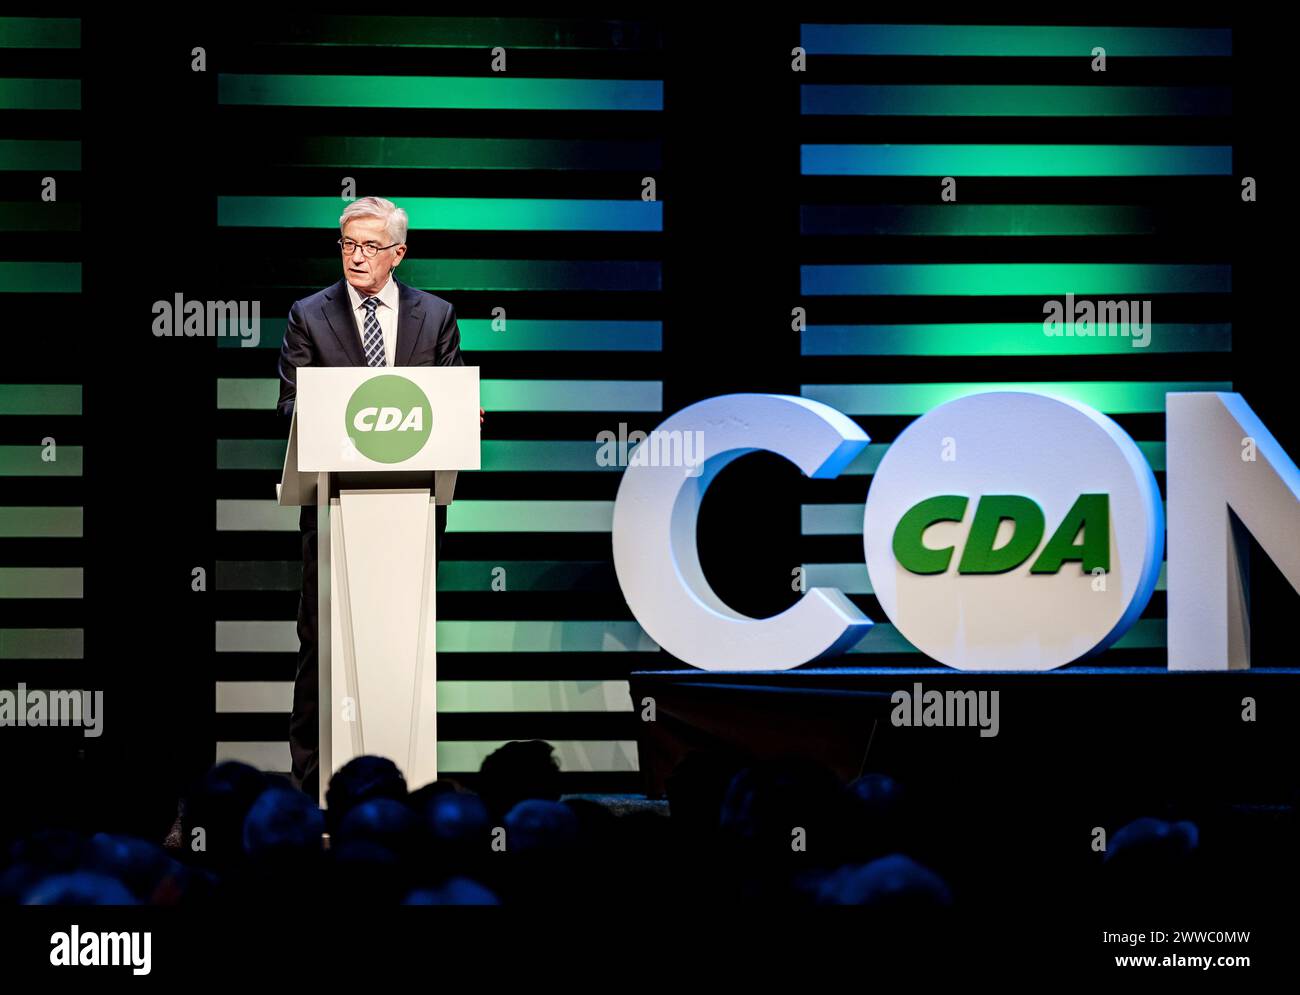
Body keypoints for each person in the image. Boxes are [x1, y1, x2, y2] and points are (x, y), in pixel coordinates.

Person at [275, 196, 484, 799]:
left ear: (398, 253)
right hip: (335, 512)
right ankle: (312, 790)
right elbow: (290, 406)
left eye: (370, 246)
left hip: (409, 515)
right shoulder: (309, 315)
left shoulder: (436, 315)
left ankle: (408, 785)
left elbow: (446, 397)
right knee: (321, 650)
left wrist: (461, 415)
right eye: (348, 244)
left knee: (400, 647)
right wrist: (340, 414)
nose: (357, 257)